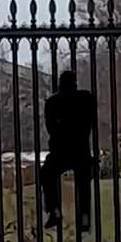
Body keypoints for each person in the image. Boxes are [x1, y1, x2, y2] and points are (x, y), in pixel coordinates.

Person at [40, 70, 97, 231]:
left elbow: (51, 127)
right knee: (83, 183)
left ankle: (54, 210)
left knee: (47, 174)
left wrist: (63, 134)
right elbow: (90, 122)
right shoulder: (86, 98)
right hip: (81, 149)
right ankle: (84, 217)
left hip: (61, 150)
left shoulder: (53, 102)